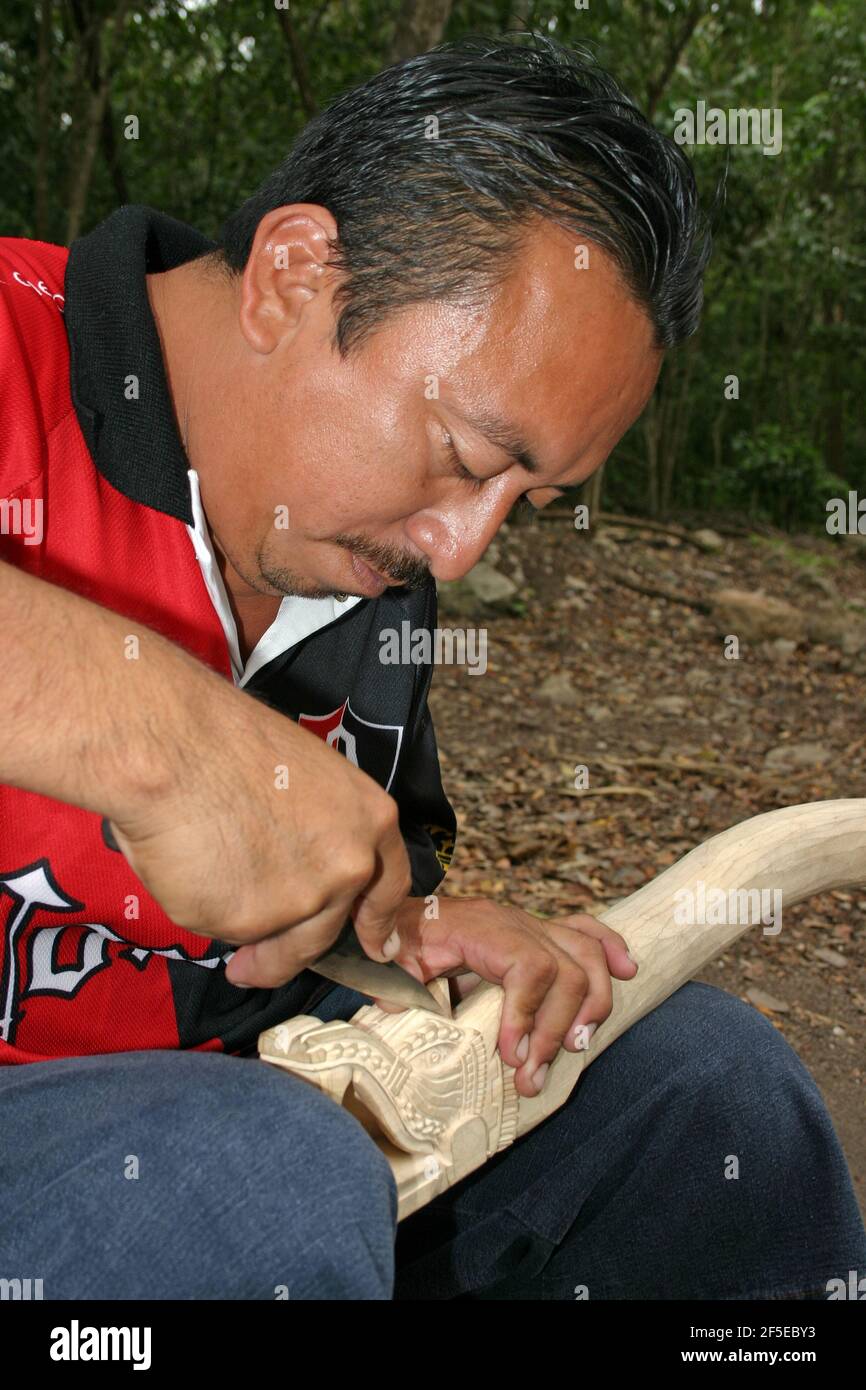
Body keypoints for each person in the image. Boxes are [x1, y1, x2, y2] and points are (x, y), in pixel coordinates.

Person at [0, 34, 863, 1300]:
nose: (460, 542)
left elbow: (328, 911)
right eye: (464, 453)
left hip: (238, 1107)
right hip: (177, 1170)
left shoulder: (364, 567)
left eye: (533, 493)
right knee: (256, 1182)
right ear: (291, 276)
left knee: (705, 1091)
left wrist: (415, 949)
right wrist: (152, 729)